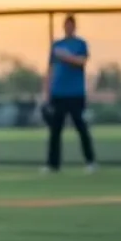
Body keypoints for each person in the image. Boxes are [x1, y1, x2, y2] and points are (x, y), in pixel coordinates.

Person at [43, 14, 96, 173]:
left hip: (75, 93)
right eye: (66, 24)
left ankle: (90, 161)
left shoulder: (80, 44)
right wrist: (47, 91)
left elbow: (82, 61)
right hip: (58, 93)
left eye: (71, 25)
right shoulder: (57, 45)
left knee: (81, 127)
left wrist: (67, 57)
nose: (68, 27)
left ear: (74, 26)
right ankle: (53, 165)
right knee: (55, 130)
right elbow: (50, 69)